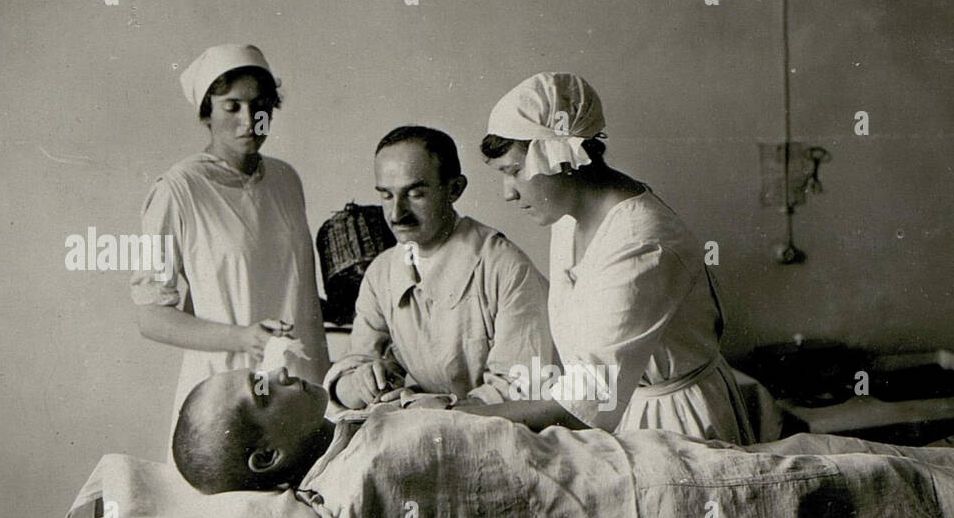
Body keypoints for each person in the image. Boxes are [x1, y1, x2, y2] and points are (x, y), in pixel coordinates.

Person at [456, 72, 754, 444]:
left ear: (561, 158)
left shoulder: (642, 240)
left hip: (674, 424)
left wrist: (460, 416)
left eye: (514, 171)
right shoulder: (568, 220)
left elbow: (588, 400)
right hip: (617, 413)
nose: (508, 194)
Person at [133, 43, 329, 439]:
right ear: (206, 111)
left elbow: (282, 284)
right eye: (232, 106)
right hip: (229, 392)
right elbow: (150, 315)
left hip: (302, 384)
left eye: (260, 106)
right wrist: (244, 337)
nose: (249, 120)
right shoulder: (177, 190)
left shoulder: (286, 180)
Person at [323, 126, 553, 411]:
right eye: (386, 196)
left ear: (454, 189)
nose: (397, 214)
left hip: (512, 430)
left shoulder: (504, 268)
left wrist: (430, 408)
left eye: (415, 194)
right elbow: (348, 375)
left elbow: (521, 389)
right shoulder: (381, 274)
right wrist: (361, 383)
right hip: (434, 425)